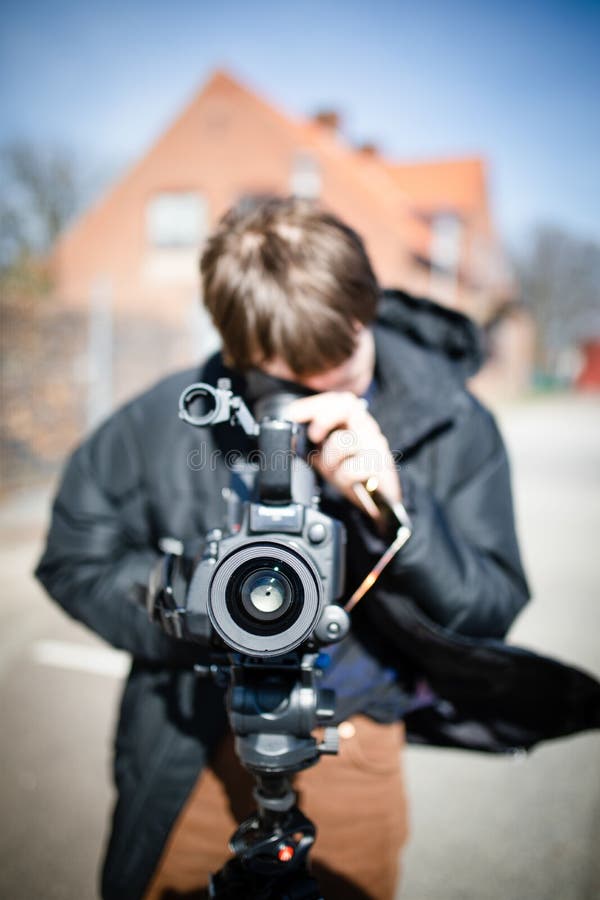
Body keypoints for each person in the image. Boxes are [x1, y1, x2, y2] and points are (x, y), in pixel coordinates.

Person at [35, 197, 531, 900]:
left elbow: (490, 610)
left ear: (367, 313)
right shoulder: (170, 417)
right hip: (191, 742)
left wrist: (398, 511)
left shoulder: (452, 423)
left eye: (343, 364)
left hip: (354, 743)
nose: (321, 397)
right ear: (238, 354)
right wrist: (196, 609)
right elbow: (75, 556)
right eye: (289, 380)